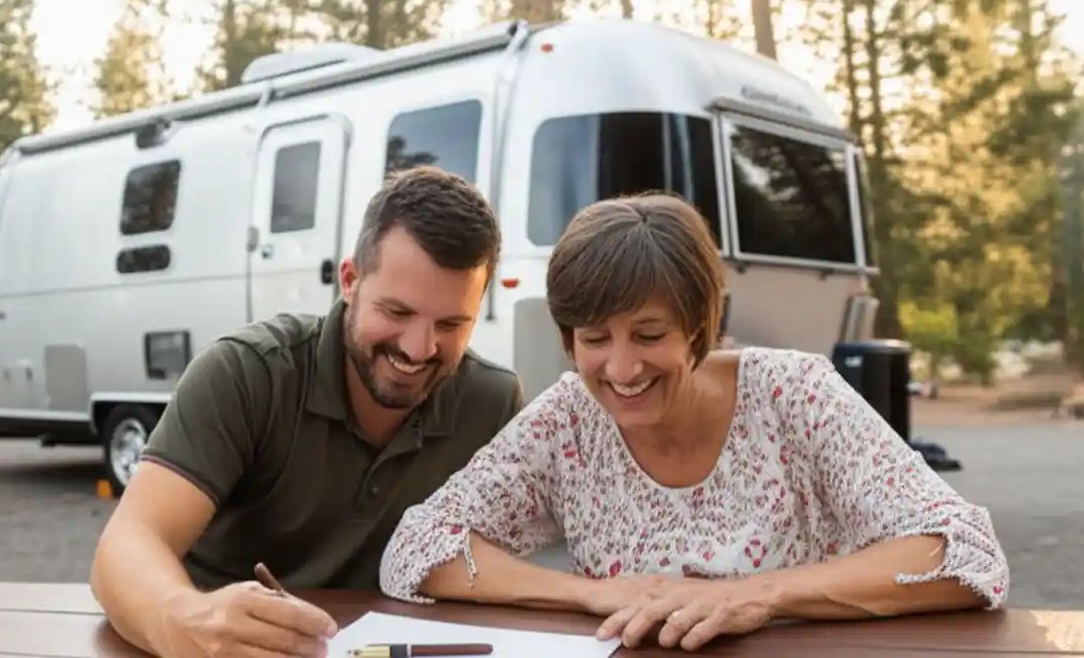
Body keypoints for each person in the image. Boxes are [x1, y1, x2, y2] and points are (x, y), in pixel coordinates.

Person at [378, 193, 1009, 652]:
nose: (621, 368)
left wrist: (757, 595)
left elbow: (966, 553)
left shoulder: (794, 393)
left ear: (699, 327)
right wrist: (592, 593)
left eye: (649, 335)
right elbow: (415, 549)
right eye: (594, 339)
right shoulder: (568, 421)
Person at [91, 167, 525, 658]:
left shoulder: (492, 403)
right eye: (397, 312)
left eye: (450, 324)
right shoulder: (247, 373)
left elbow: (488, 574)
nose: (419, 347)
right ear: (350, 281)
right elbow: (127, 543)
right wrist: (187, 621)